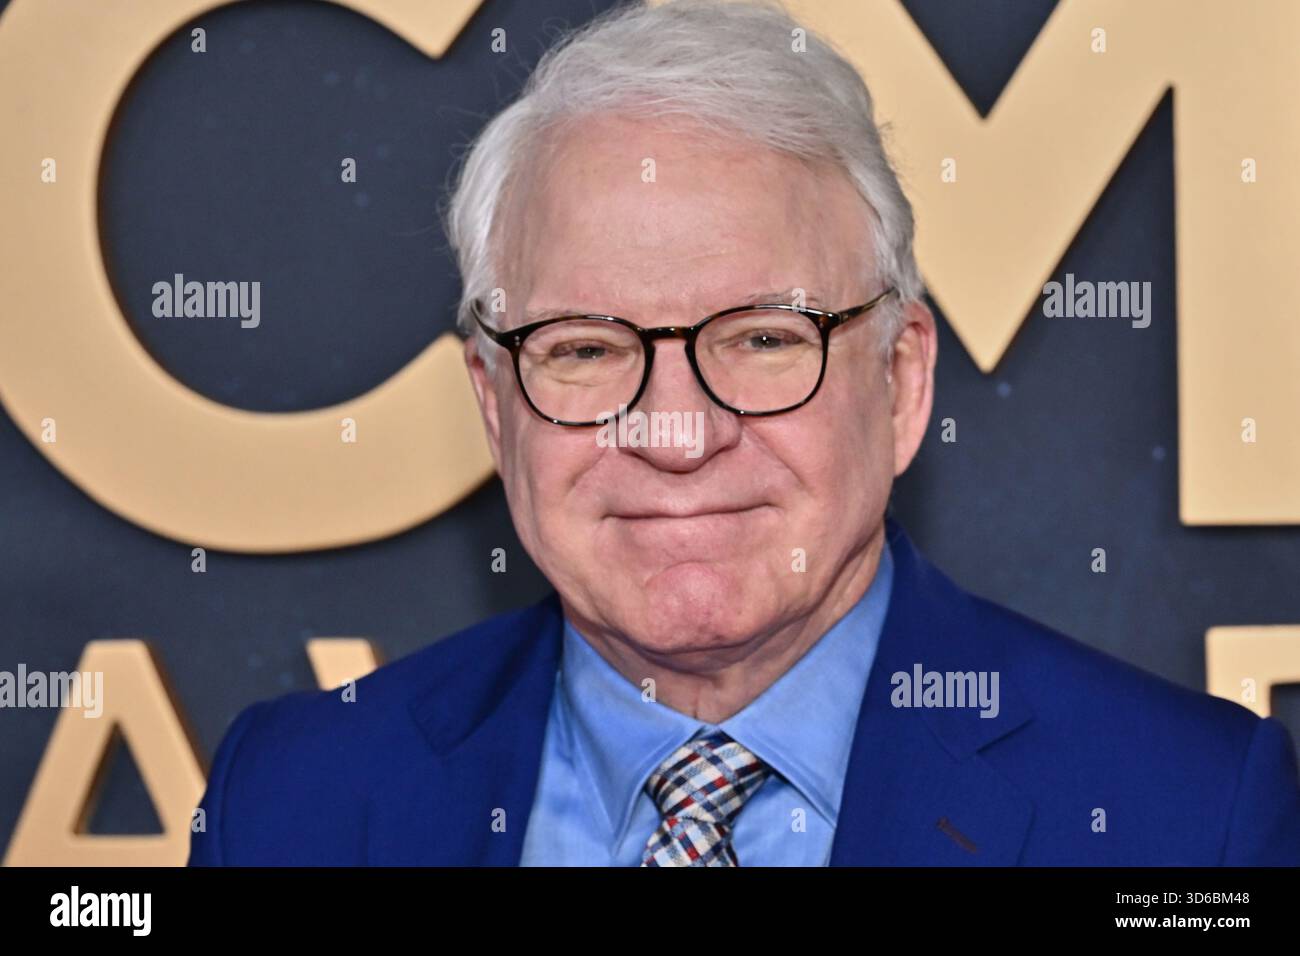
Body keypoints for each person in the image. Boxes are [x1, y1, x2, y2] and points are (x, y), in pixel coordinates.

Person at [189, 0, 1300, 866]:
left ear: (902, 380)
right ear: (493, 400)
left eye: (764, 340)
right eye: (583, 347)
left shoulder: (1184, 811)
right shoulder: (296, 801)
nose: (676, 431)